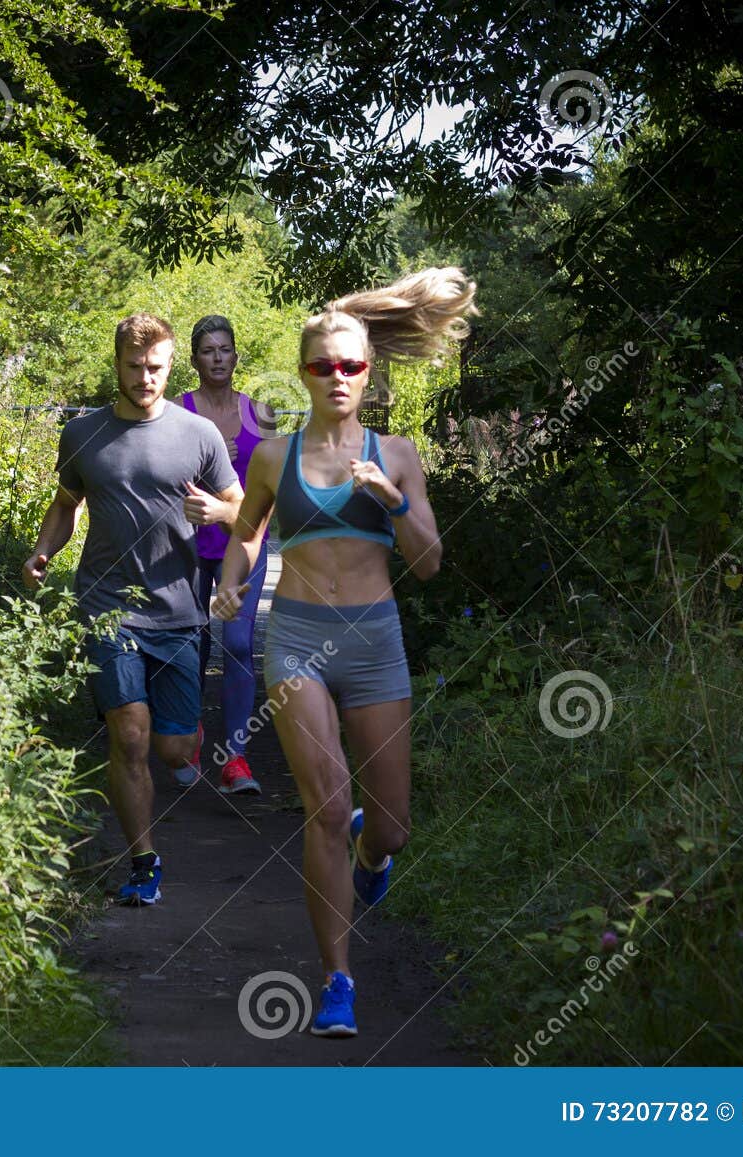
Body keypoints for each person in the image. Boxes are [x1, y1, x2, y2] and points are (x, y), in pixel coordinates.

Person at [211, 268, 478, 1035]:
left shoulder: (398, 453)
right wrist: (230, 585)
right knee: (325, 806)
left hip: (375, 642)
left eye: (351, 365)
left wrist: (392, 502)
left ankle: (373, 850)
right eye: (324, 365)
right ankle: (336, 980)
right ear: (304, 372)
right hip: (295, 640)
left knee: (387, 825)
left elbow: (428, 562)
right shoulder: (271, 456)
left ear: (371, 372)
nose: (338, 377)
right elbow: (247, 534)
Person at [23, 313, 244, 906]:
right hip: (106, 605)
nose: (145, 378)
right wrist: (43, 551)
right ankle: (144, 859)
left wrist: (218, 516)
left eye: (156, 368)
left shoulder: (198, 435)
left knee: (172, 749)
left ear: (171, 366)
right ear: (116, 363)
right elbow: (66, 504)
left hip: (178, 610)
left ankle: (183, 742)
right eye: (134, 367)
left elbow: (240, 506)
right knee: (129, 735)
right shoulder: (84, 434)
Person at [171, 315, 277, 795]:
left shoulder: (261, 413)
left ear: (236, 357)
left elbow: (274, 483)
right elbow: (164, 482)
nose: (217, 357)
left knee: (237, 645)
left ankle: (235, 758)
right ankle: (191, 737)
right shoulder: (177, 411)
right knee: (193, 645)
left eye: (225, 349)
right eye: (208, 350)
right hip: (190, 545)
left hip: (244, 540)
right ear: (194, 359)